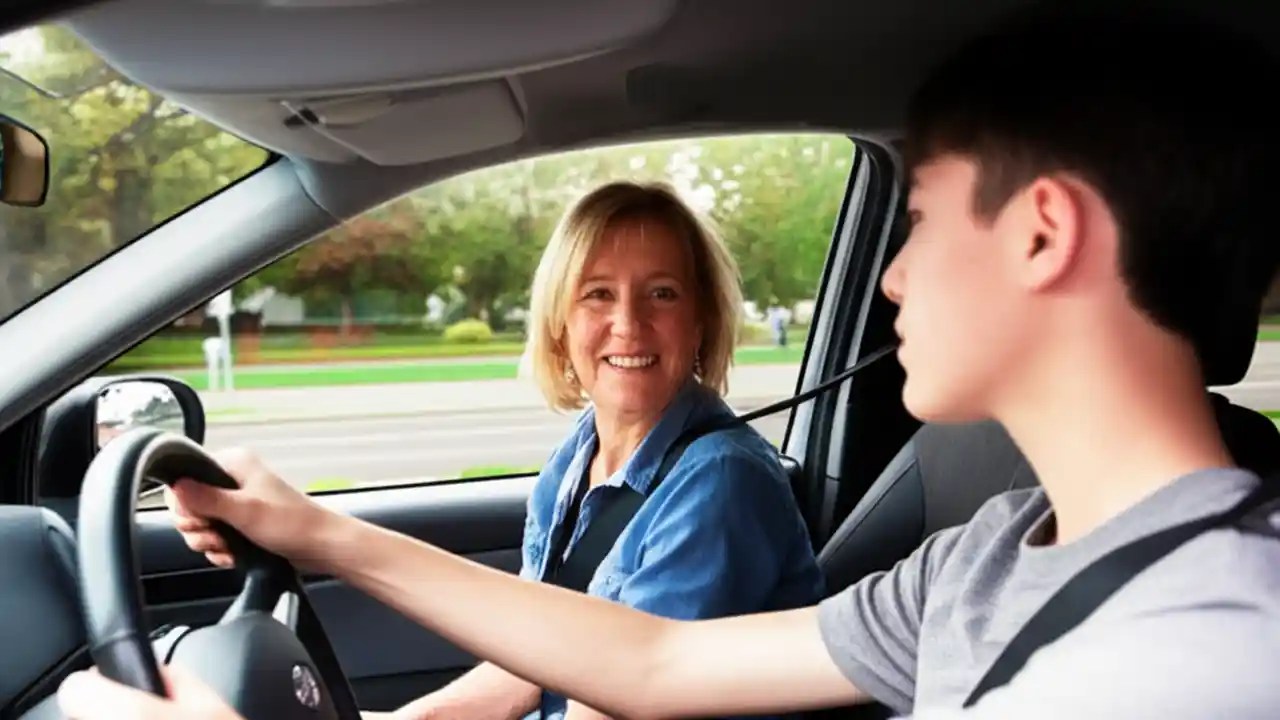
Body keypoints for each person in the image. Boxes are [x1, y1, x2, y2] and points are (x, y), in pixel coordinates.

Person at [58, 5, 1280, 719]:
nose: (892, 279)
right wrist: (317, 534)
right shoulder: (987, 554)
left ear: (1039, 232)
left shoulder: (1217, 646)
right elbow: (651, 659)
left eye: (917, 221)